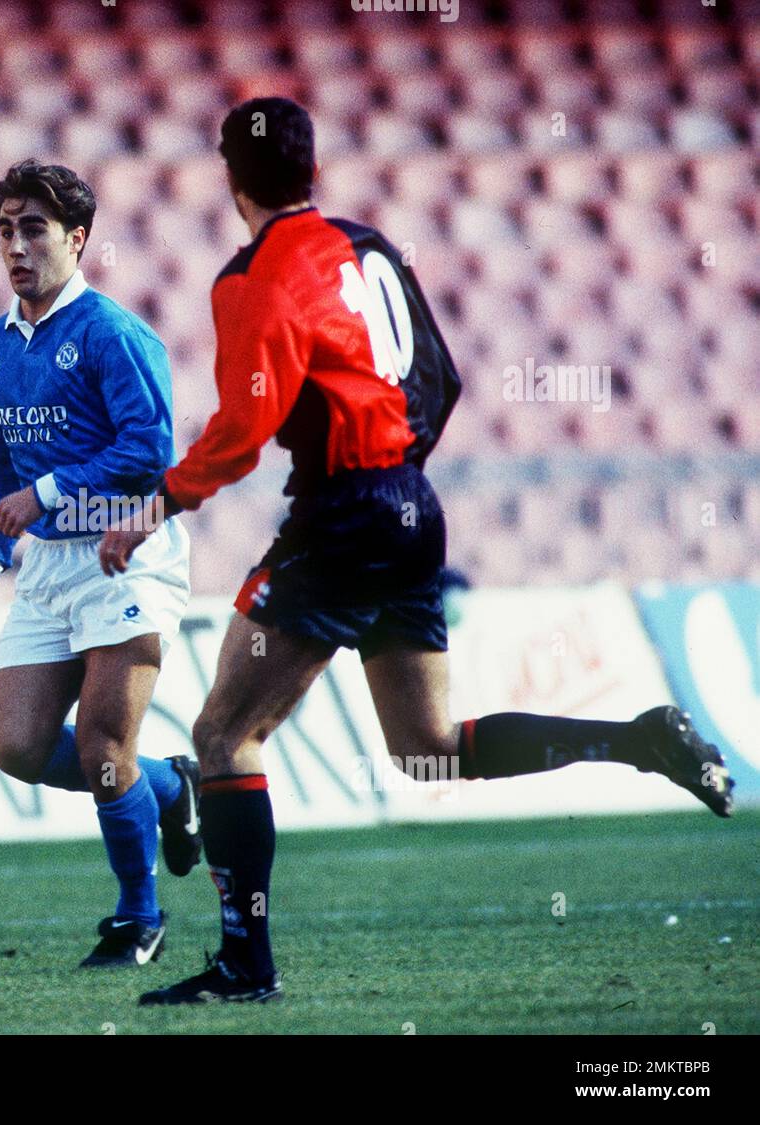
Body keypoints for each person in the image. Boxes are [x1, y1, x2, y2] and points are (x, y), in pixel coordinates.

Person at [98, 97, 734, 1004]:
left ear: (229, 178)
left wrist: (158, 501)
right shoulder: (373, 248)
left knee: (221, 736)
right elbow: (444, 374)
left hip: (346, 513)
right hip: (410, 502)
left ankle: (246, 964)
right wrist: (397, 471)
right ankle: (637, 738)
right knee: (428, 745)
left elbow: (243, 429)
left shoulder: (254, 278)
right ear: (312, 169)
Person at [0, 159, 200, 968]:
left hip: (123, 553)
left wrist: (49, 491)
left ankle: (139, 918)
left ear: (77, 238)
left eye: (34, 229)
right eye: (5, 230)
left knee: (99, 745)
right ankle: (168, 785)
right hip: (51, 568)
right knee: (16, 745)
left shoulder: (112, 333)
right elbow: (0, 468)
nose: (16, 247)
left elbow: (148, 452)